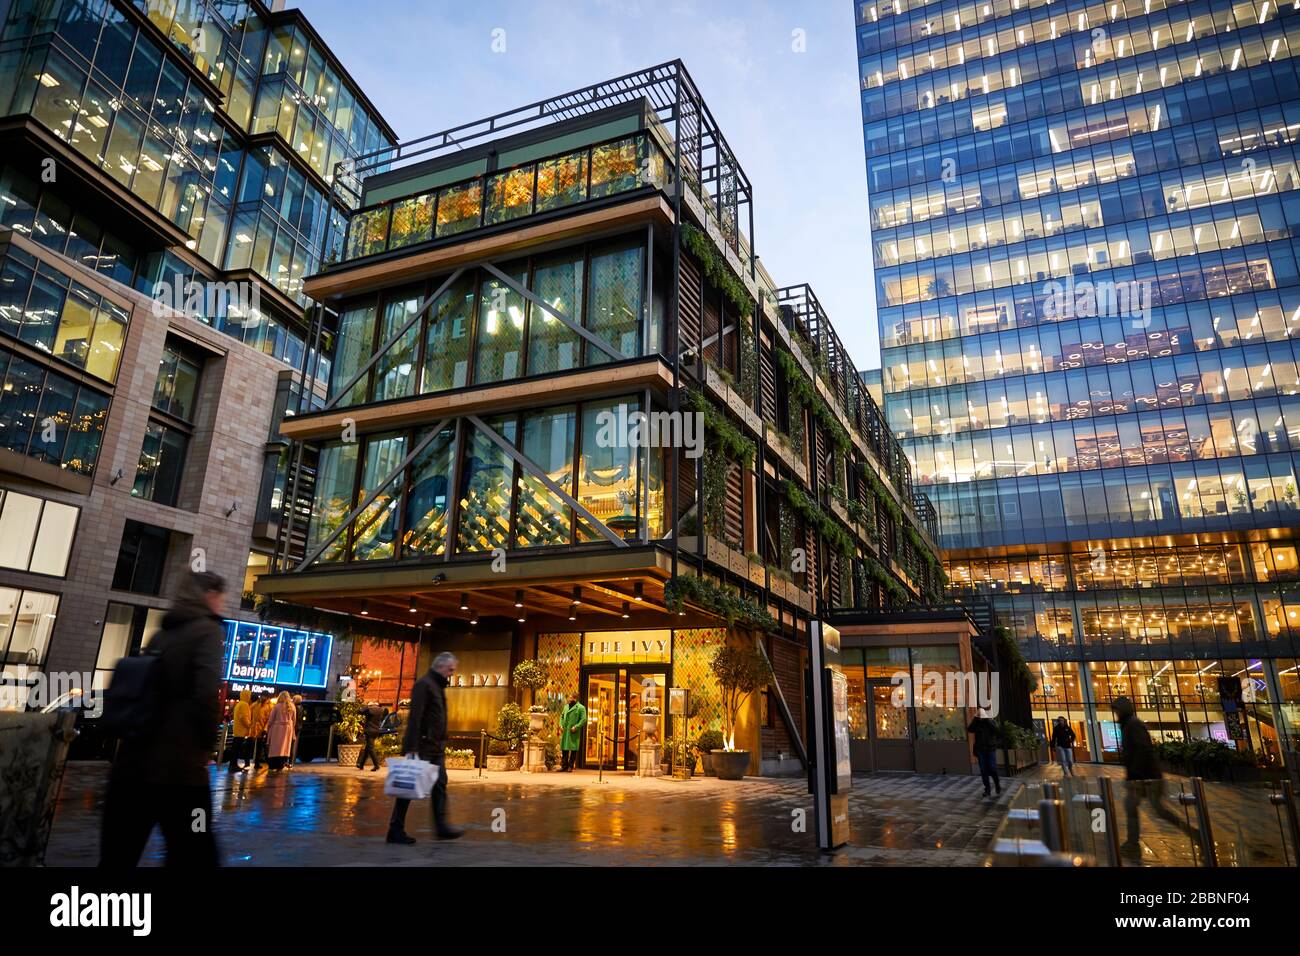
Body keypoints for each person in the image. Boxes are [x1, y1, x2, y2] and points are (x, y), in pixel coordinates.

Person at [100, 571, 226, 867]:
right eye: (222, 597)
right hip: (182, 774)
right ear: (209, 595)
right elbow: (206, 695)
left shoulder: (161, 634)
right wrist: (206, 748)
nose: (223, 603)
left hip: (133, 765)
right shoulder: (207, 631)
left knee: (119, 854)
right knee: (197, 847)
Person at [388, 653, 462, 844]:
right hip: (423, 745)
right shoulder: (425, 684)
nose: (451, 674)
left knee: (440, 785)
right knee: (409, 785)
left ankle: (441, 827)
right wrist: (411, 746)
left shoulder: (437, 685)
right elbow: (415, 717)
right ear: (440, 666)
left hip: (435, 745)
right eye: (450, 670)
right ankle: (395, 829)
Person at [1112, 696, 1194, 851]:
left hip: (1147, 778)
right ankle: (1132, 843)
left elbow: (1143, 750)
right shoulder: (1128, 724)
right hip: (1143, 776)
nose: (1116, 713)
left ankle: (1195, 834)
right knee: (1133, 806)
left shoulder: (1133, 725)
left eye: (1117, 710)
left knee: (1159, 811)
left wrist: (1135, 774)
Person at [967, 707, 1001, 797]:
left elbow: (997, 730)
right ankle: (987, 789)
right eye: (979, 715)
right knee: (983, 770)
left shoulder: (991, 722)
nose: (980, 717)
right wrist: (975, 718)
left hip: (990, 749)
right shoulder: (977, 723)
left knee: (992, 768)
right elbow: (970, 729)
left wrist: (987, 720)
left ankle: (997, 784)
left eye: (981, 715)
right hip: (980, 750)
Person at [266, 691, 296, 771]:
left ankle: (273, 764)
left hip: (277, 728)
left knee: (275, 747)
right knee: (285, 747)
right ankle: (282, 763)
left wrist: (268, 727)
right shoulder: (292, 706)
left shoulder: (277, 706)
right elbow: (294, 720)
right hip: (288, 729)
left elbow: (271, 719)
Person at [357, 701, 389, 771]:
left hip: (369, 731)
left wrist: (367, 706)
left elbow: (359, 711)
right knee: (368, 747)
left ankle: (376, 765)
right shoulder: (380, 710)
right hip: (376, 731)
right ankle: (361, 764)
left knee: (371, 748)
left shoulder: (369, 709)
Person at [558, 692, 586, 772]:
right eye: (569, 698)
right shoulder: (566, 707)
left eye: (571, 698)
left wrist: (576, 727)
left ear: (575, 699)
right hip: (565, 731)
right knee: (564, 749)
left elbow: (583, 719)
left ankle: (570, 766)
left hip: (573, 731)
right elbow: (562, 716)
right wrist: (561, 725)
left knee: (573, 750)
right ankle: (564, 766)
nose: (569, 699)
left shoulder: (581, 708)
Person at [227, 689, 253, 774]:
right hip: (241, 731)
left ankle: (232, 764)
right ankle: (233, 765)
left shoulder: (239, 704)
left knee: (235, 748)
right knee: (237, 749)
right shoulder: (245, 705)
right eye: (249, 695)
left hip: (237, 730)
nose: (250, 697)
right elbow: (244, 717)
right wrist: (249, 725)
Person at [250, 692, 272, 769]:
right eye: (262, 696)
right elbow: (250, 714)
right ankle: (248, 762)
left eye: (265, 696)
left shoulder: (269, 706)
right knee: (250, 746)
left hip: (261, 729)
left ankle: (257, 763)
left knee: (259, 747)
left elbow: (268, 719)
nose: (263, 698)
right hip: (253, 728)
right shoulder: (255, 704)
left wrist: (265, 729)